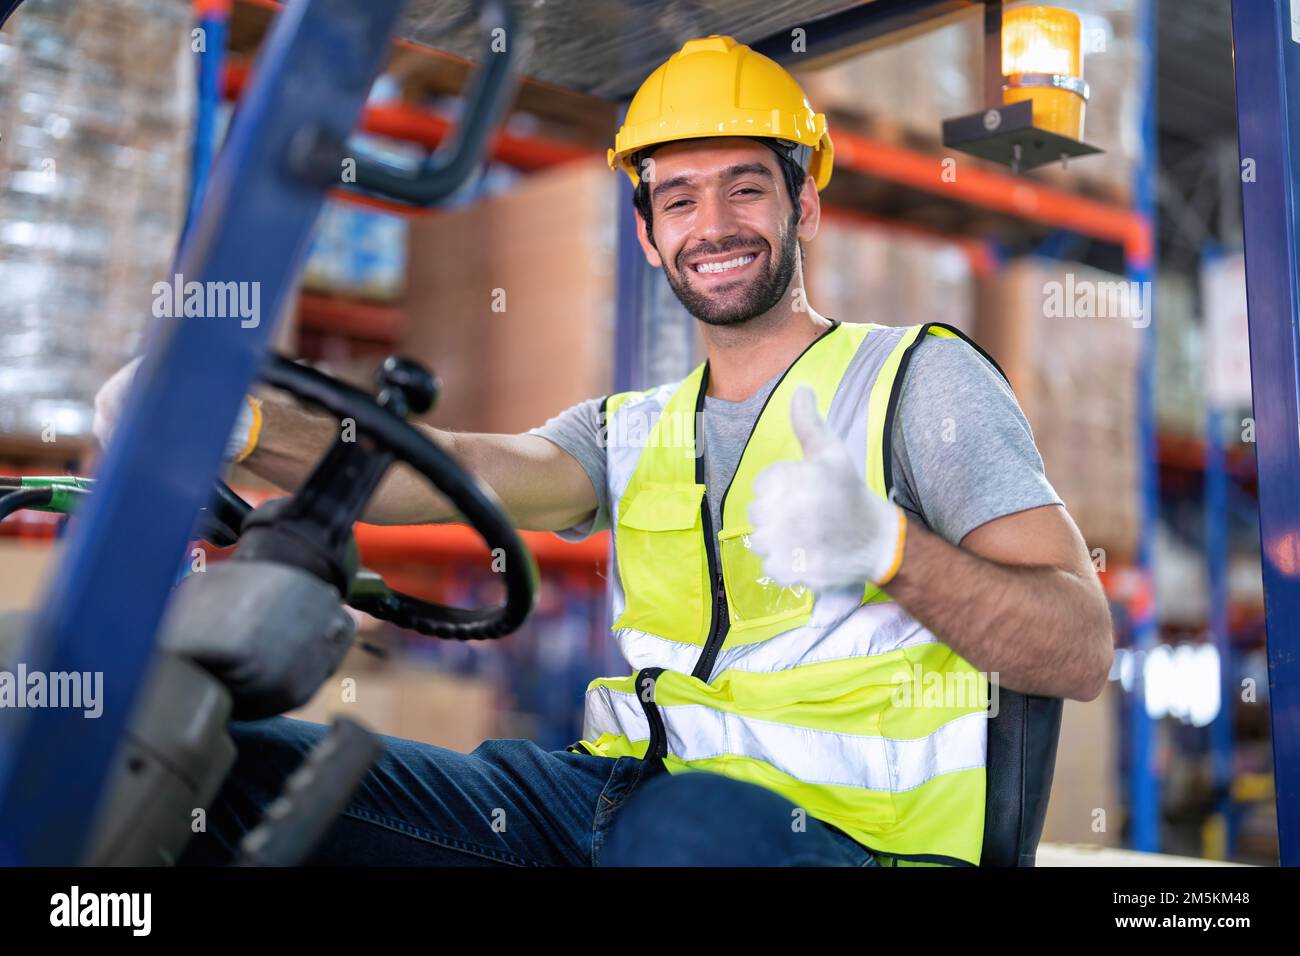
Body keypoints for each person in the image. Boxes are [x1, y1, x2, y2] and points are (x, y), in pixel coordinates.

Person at [94, 35, 1113, 867]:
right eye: (678, 199)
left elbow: (1075, 645)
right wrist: (240, 425)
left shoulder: (918, 383)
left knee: (684, 832)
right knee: (212, 764)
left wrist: (888, 547)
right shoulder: (633, 427)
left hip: (843, 842)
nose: (712, 224)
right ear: (647, 234)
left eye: (745, 189)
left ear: (804, 204)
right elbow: (456, 467)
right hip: (607, 805)